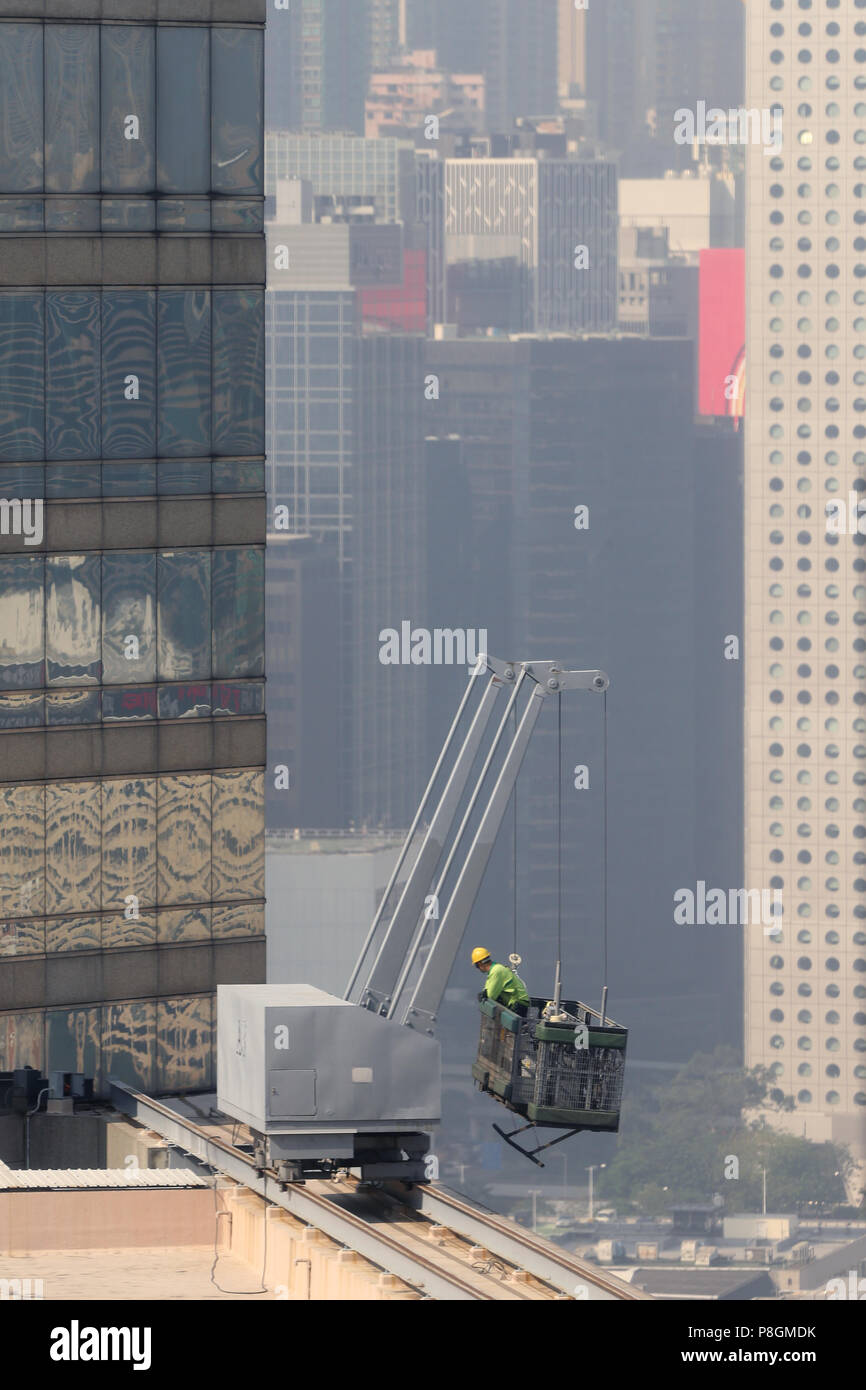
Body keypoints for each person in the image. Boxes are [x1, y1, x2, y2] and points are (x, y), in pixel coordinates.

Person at [471, 947, 530, 1017]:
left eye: (476, 966)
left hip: (518, 1006)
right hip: (517, 1005)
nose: (478, 968)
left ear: (480, 963)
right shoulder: (494, 970)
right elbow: (486, 990)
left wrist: (483, 995)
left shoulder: (496, 971)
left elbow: (490, 996)